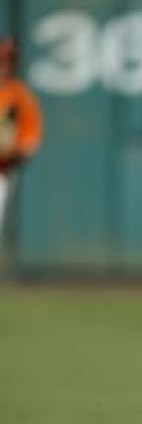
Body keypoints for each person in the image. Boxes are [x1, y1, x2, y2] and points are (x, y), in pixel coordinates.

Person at [0, 36, 43, 258]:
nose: (4, 65)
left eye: (8, 60)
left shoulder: (18, 96)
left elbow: (29, 143)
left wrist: (14, 151)